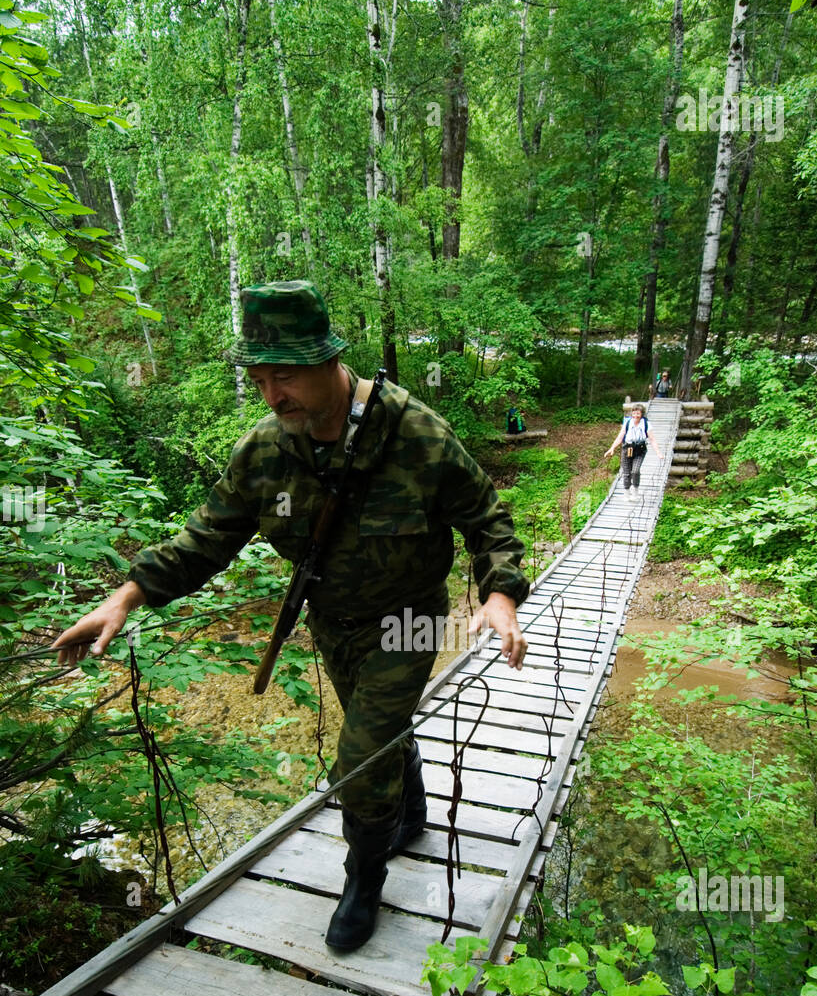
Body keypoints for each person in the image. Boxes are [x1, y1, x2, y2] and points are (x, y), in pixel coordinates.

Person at [51, 281, 530, 954]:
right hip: (331, 621)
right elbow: (205, 539)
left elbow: (486, 519)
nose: (273, 395)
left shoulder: (416, 434)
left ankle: (363, 879)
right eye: (260, 379)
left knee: (360, 758)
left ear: (329, 362)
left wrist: (500, 595)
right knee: (380, 733)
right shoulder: (266, 451)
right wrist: (124, 597)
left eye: (285, 376)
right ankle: (408, 804)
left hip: (410, 619)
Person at [604, 402, 663, 502]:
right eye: (634, 413)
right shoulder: (627, 423)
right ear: (632, 413)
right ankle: (626, 493)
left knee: (635, 471)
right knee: (626, 472)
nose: (636, 415)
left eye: (638, 413)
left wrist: (658, 452)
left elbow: (652, 439)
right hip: (627, 449)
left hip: (640, 450)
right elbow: (620, 437)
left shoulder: (646, 424)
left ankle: (635, 490)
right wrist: (612, 448)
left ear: (641, 414)